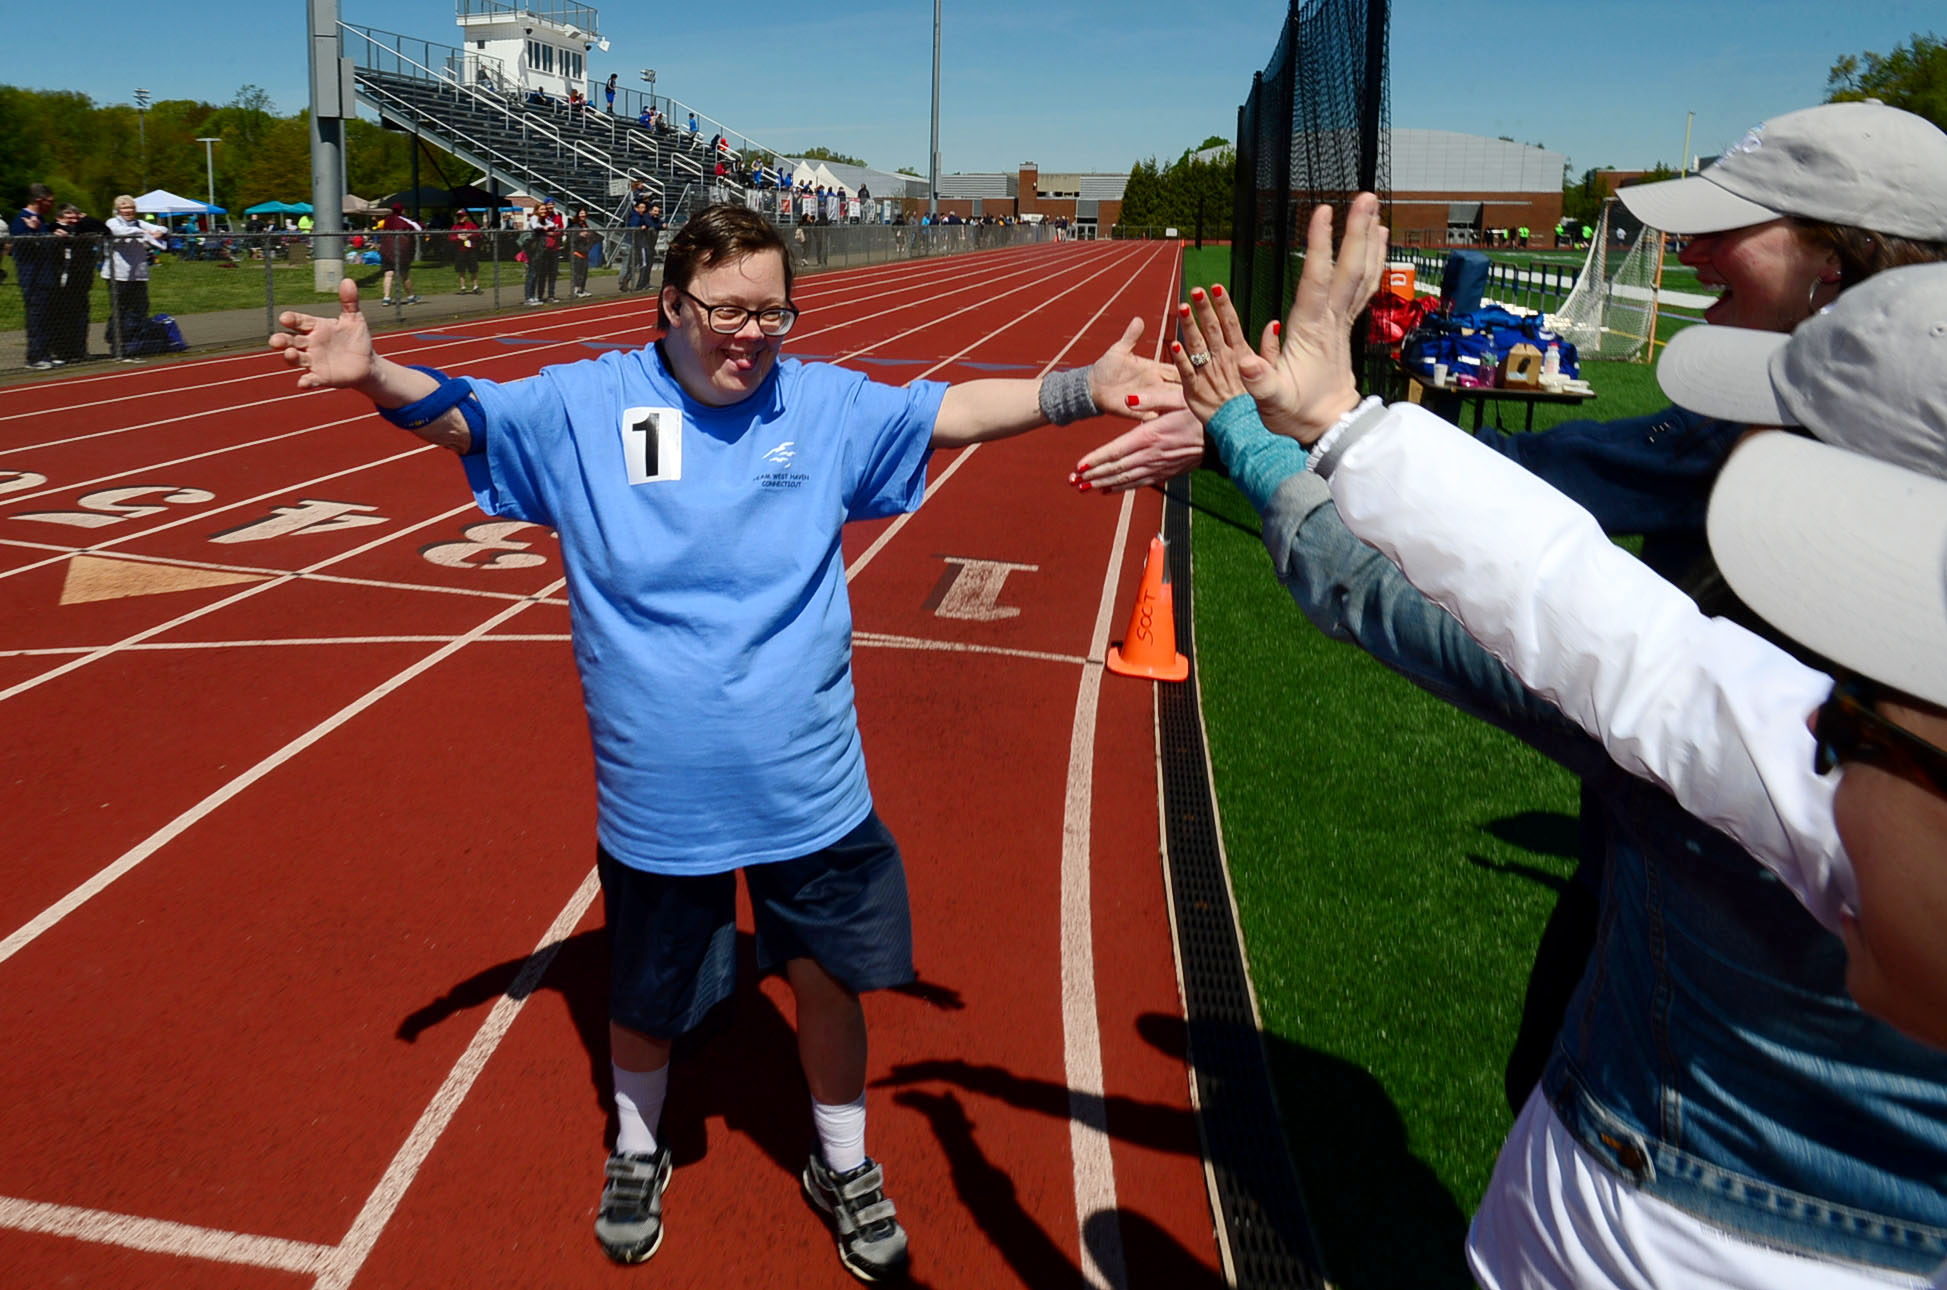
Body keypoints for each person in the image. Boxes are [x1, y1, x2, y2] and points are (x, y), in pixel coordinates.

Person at [267, 202, 1188, 1279]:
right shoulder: (590, 400)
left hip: (813, 784)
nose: (751, 334)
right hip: (659, 792)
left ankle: (842, 1163)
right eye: (725, 310)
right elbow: (473, 417)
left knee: (830, 981)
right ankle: (640, 1145)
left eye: (772, 312)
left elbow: (949, 413)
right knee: (646, 996)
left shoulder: (823, 400)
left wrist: (1081, 390)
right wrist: (375, 376)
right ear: (670, 303)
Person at [1078, 99, 1947, 1112]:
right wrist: (1317, 428)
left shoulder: (1774, 564)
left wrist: (1282, 437)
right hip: (1627, 913)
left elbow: (1537, 634)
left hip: (1682, 1107)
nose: (1695, 251)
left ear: (1835, 262)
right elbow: (1528, 497)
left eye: (1737, 225)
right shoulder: (1754, 439)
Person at [1173, 197, 1947, 1288]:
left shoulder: (1805, 741)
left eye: (1853, 725)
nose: (1821, 737)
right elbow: (1630, 646)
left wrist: (1289, 441)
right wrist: (1338, 423)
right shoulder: (1832, 722)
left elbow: (1594, 649)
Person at [100, 194, 168, 358]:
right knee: (120, 310)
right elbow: (120, 231)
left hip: (138, 274)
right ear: (118, 210)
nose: (128, 211)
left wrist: (157, 231)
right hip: (118, 275)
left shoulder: (139, 222)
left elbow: (162, 229)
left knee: (140, 309)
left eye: (130, 207)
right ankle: (117, 344)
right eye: (124, 208)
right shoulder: (113, 222)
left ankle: (134, 343)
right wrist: (144, 232)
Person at [48, 204, 108, 364]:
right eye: (69, 215)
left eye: (75, 215)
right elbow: (47, 230)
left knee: (81, 318)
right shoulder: (52, 230)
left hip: (81, 281)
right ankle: (62, 352)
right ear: (60, 217)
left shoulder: (82, 228)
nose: (73, 219)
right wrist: (55, 228)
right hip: (61, 282)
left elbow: (105, 229)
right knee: (62, 318)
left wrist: (85, 217)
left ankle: (80, 350)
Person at [11, 183, 60, 369]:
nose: (52, 206)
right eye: (50, 202)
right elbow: (20, 248)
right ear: (39, 200)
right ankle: (35, 356)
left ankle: (45, 353)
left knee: (47, 318)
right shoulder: (21, 219)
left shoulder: (40, 220)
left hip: (46, 278)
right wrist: (31, 231)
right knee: (36, 318)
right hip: (33, 279)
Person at [377, 203, 421, 306]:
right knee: (404, 274)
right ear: (402, 210)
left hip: (387, 250)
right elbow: (418, 228)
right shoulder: (404, 220)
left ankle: (386, 298)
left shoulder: (387, 220)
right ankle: (410, 297)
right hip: (401, 251)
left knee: (388, 274)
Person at [523, 199, 563, 305]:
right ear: (537, 210)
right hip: (533, 248)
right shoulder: (534, 217)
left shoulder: (544, 219)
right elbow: (536, 226)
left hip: (540, 249)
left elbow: (554, 225)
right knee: (532, 273)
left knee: (536, 273)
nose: (544, 211)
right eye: (541, 209)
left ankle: (533, 296)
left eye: (544, 209)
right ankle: (528, 297)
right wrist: (545, 227)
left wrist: (549, 226)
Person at [566, 207, 598, 298]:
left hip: (585, 251)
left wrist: (589, 235)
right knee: (577, 272)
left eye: (584, 214)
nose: (583, 215)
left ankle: (582, 289)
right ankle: (576, 289)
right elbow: (570, 236)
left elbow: (592, 236)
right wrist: (579, 234)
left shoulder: (585, 224)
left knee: (584, 272)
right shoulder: (574, 225)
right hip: (576, 252)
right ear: (577, 214)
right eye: (581, 213)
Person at [449, 211, 482, 295]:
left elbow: (479, 234)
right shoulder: (455, 227)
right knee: (461, 269)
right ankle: (463, 287)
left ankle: (475, 286)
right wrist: (458, 237)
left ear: (465, 217)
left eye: (462, 216)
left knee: (473, 269)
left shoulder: (471, 225)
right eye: (459, 217)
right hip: (460, 250)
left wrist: (470, 235)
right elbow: (450, 237)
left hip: (470, 250)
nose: (460, 218)